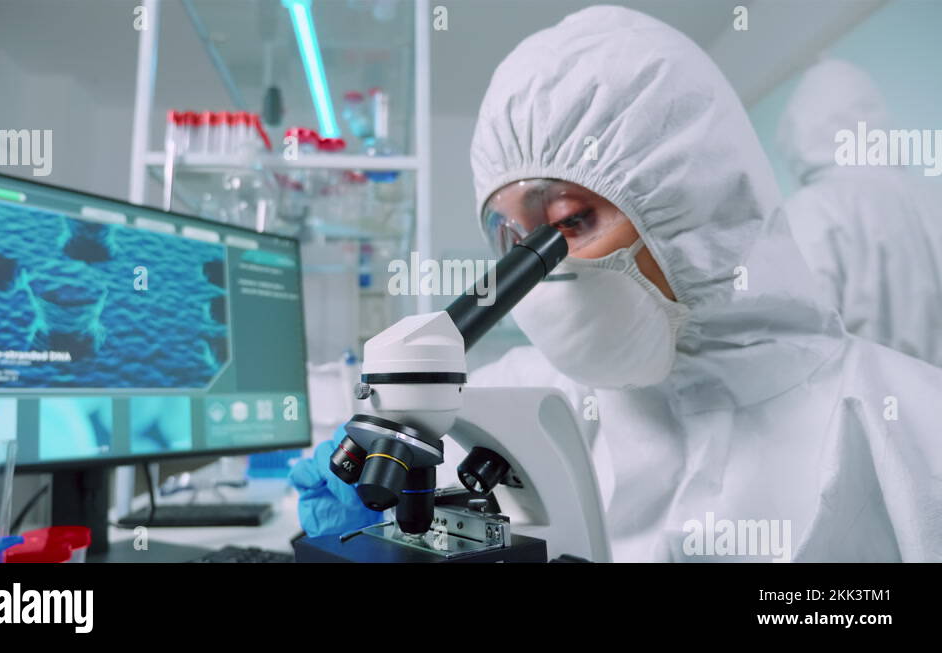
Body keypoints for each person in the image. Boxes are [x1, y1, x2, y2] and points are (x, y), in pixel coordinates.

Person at [291, 6, 942, 561]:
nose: (541, 278)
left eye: (572, 221)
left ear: (693, 204)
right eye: (515, 244)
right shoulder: (536, 405)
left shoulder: (907, 424)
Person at [777, 58, 942, 366]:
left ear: (800, 128)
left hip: (878, 408)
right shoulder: (933, 200)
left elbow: (793, 344)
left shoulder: (815, 209)